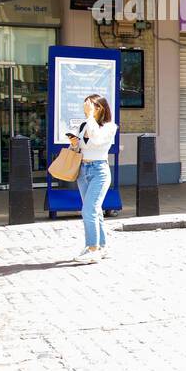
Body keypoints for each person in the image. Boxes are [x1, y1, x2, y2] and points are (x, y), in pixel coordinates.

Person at [69, 93, 117, 262]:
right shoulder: (84, 126)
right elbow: (81, 148)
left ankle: (92, 249)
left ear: (100, 108)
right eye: (85, 107)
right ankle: (102, 247)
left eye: (89, 106)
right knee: (95, 211)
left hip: (99, 171)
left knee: (88, 210)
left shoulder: (110, 127)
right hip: (83, 170)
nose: (86, 109)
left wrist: (90, 116)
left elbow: (96, 140)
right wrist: (74, 145)